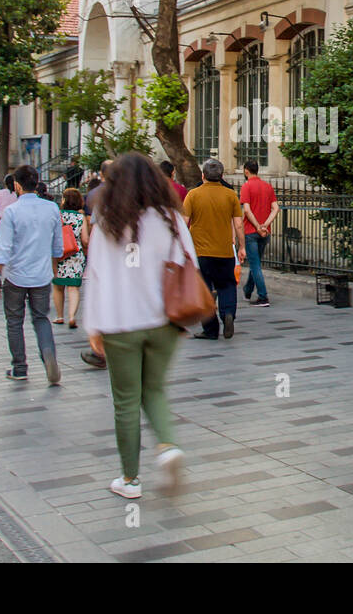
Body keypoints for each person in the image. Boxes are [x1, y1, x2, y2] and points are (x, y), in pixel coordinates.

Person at [83, 152, 189, 499]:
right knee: (154, 389)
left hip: (120, 322)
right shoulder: (171, 218)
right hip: (163, 320)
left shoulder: (107, 224)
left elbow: (95, 277)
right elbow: (189, 263)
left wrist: (93, 325)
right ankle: (169, 445)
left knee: (126, 400)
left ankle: (130, 480)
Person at [0, 165, 63, 385]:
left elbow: (4, 247)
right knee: (41, 318)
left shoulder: (11, 211)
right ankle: (48, 354)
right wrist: (54, 266)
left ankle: (19, 367)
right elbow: (57, 246)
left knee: (14, 320)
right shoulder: (51, 208)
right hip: (41, 274)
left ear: (18, 186)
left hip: (15, 275)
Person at [182, 158, 245, 341]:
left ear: (203, 176)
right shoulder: (230, 195)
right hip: (224, 250)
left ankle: (210, 329)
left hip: (200, 252)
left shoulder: (193, 195)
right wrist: (241, 247)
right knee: (227, 285)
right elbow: (239, 224)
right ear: (222, 176)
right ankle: (228, 314)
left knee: (204, 290)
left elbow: (184, 223)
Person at [239, 160, 279, 307]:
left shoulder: (246, 186)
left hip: (251, 231)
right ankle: (248, 290)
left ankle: (263, 296)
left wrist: (256, 226)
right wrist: (265, 225)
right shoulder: (267, 187)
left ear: (246, 171)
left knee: (255, 265)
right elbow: (276, 208)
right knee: (256, 263)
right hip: (265, 231)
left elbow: (247, 210)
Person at [53, 188, 88, 328]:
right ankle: (72, 316)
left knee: (58, 287)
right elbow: (85, 240)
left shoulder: (57, 215)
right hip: (75, 255)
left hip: (59, 254)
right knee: (73, 288)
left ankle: (60, 316)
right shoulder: (81, 218)